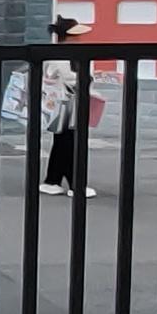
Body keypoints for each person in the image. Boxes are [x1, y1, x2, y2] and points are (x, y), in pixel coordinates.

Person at [39, 15, 93, 198]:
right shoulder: (60, 57)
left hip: (68, 105)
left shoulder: (69, 54)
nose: (79, 39)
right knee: (70, 144)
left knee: (63, 142)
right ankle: (75, 184)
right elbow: (68, 79)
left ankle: (52, 180)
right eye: (75, 36)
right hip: (64, 105)